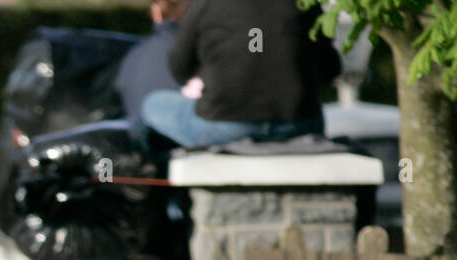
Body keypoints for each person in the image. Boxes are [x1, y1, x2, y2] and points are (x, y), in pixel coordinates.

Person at [140, 0, 340, 149]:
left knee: (152, 103)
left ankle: (152, 194)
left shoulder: (205, 3)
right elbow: (330, 70)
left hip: (227, 124)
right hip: (299, 123)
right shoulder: (305, 2)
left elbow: (179, 68)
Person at [114, 0, 190, 145]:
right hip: (185, 151)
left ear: (156, 12)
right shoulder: (200, 53)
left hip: (144, 151)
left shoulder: (134, 54)